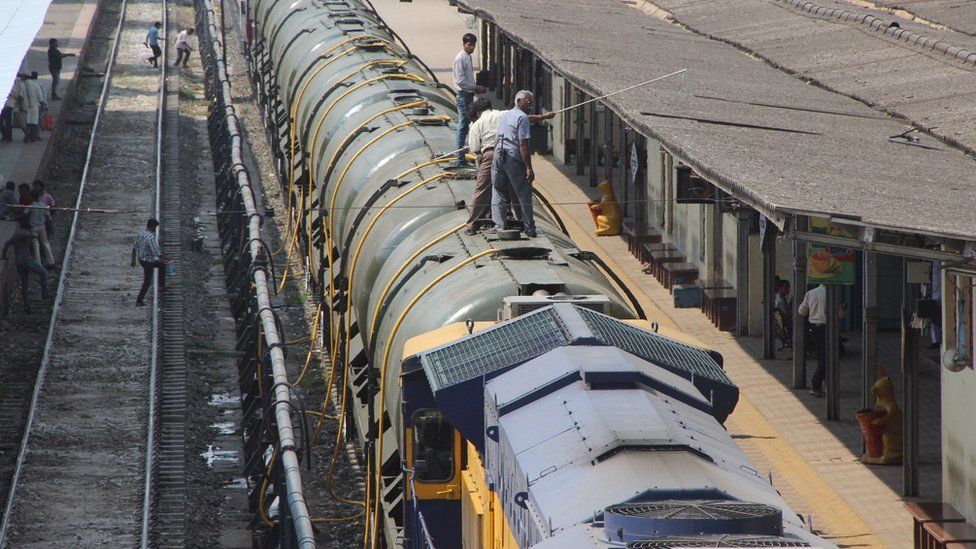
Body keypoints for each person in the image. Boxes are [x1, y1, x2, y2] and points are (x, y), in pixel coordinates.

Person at [489, 90, 554, 238]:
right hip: (512, 158)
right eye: (528, 102)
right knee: (524, 193)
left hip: (498, 155)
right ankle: (529, 227)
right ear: (518, 101)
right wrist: (529, 168)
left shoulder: (506, 115)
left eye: (531, 102)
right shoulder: (522, 118)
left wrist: (544, 116)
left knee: (498, 190)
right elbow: (522, 144)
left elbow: (497, 139)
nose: (530, 105)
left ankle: (499, 224)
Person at [2, 217, 49, 314]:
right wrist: (31, 235)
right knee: (43, 273)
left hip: (19, 263)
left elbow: (7, 243)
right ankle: (45, 295)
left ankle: (27, 306)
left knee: (24, 283)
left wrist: (3, 255)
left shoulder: (15, 235)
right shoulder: (24, 233)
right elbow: (26, 234)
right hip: (27, 260)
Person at [452, 33, 486, 167]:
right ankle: (460, 158)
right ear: (464, 44)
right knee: (463, 125)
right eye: (469, 45)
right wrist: (476, 88)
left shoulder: (468, 57)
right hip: (463, 95)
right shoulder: (460, 58)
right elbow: (460, 81)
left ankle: (466, 153)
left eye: (473, 45)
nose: (471, 47)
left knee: (468, 124)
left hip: (468, 94)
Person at [797, 283, 827, 397]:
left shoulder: (811, 293)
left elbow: (802, 311)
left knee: (821, 355)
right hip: (826, 328)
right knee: (825, 358)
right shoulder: (832, 294)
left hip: (814, 328)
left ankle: (825, 383)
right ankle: (816, 384)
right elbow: (839, 314)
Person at [132, 218, 166, 306]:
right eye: (155, 227)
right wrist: (165, 258)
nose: (155, 229)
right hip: (148, 262)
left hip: (142, 260)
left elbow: (134, 248)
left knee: (162, 265)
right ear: (152, 226)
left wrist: (133, 261)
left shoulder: (141, 234)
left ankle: (161, 287)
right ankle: (139, 301)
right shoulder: (150, 237)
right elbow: (156, 252)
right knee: (147, 282)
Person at [28, 190, 55, 268]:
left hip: (33, 227)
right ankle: (51, 262)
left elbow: (25, 213)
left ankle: (38, 263)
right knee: (45, 243)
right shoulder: (44, 205)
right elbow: (49, 217)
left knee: (35, 245)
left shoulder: (31, 206)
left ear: (32, 197)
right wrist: (51, 227)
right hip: (42, 227)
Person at [20, 73, 43, 143]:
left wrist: (18, 105)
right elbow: (40, 98)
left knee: (26, 123)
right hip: (34, 107)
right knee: (33, 123)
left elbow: (20, 96)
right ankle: (33, 137)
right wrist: (42, 106)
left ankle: (27, 136)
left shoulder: (22, 85)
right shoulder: (36, 85)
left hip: (25, 107)